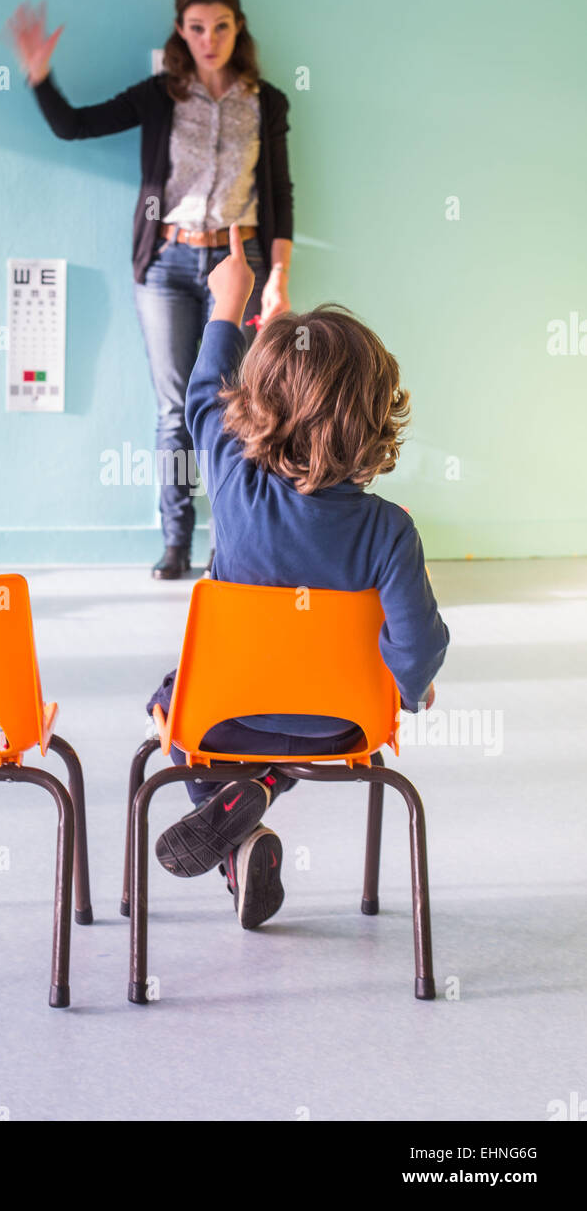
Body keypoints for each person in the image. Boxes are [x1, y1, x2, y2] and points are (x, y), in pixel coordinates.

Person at [146, 224, 450, 930]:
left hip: (227, 716)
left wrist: (230, 304)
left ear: (254, 405)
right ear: (374, 418)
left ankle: (240, 817)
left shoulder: (232, 476)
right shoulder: (389, 529)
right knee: (281, 729)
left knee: (170, 706)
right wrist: (413, 687)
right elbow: (415, 644)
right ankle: (251, 823)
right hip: (338, 729)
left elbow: (200, 397)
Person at [4, 0, 294, 579]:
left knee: (236, 407)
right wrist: (38, 74)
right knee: (174, 410)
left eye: (220, 26)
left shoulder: (265, 101)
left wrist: (279, 277)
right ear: (180, 32)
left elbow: (280, 194)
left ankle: (230, 547)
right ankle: (175, 543)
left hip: (236, 265)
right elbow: (74, 125)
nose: (208, 39)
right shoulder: (163, 94)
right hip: (165, 264)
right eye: (195, 28)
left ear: (237, 27)